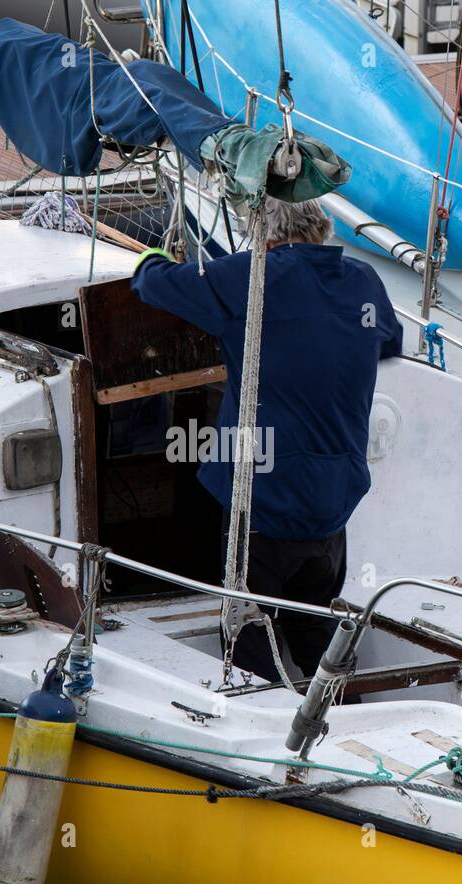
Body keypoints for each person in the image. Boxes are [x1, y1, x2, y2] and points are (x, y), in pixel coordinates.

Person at [130, 196, 404, 683]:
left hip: (264, 504)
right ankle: (341, 717)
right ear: (320, 228)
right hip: (333, 505)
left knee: (247, 639)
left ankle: (275, 739)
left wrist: (152, 256)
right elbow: (388, 339)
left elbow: (154, 284)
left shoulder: (253, 277)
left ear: (263, 233)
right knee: (313, 629)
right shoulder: (364, 282)